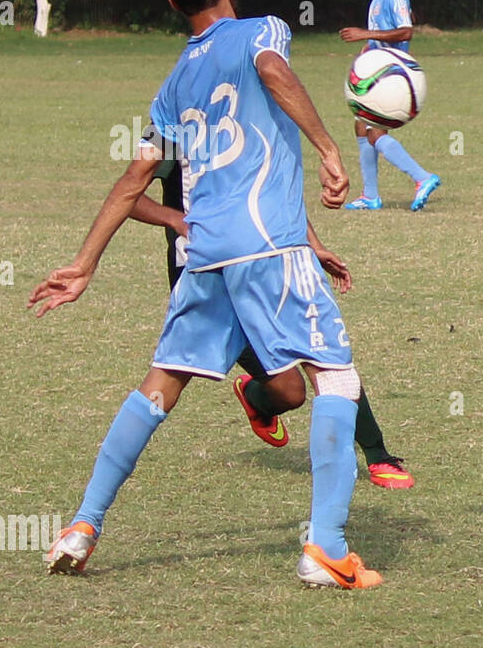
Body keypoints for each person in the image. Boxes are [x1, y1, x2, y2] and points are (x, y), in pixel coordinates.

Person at [32, 0, 382, 588]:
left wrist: (84, 265)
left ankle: (83, 525)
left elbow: (136, 177)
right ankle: (326, 548)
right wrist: (331, 150)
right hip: (268, 248)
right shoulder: (262, 29)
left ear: (172, 5)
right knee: (336, 378)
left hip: (205, 255)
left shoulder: (174, 84)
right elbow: (274, 72)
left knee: (158, 388)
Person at [129, 176, 416, 489]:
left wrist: (313, 247)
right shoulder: (169, 131)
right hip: (205, 278)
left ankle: (378, 455)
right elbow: (128, 193)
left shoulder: (249, 127)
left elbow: (277, 190)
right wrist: (178, 220)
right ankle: (257, 397)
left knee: (321, 350)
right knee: (290, 393)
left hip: (267, 261)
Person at [339, 0, 441, 212]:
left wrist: (366, 34)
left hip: (393, 75)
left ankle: (422, 177)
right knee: (361, 125)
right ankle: (370, 195)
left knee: (374, 132)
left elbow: (405, 31)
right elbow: (384, 34)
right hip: (381, 70)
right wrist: (367, 48)